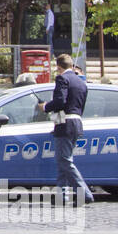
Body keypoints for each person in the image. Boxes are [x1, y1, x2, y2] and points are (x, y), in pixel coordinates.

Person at [38, 53, 93, 204]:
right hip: (77, 122)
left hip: (65, 123)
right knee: (62, 160)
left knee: (64, 160)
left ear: (59, 67)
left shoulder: (62, 78)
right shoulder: (81, 82)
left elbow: (60, 101)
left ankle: (85, 194)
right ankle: (62, 196)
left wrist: (45, 107)